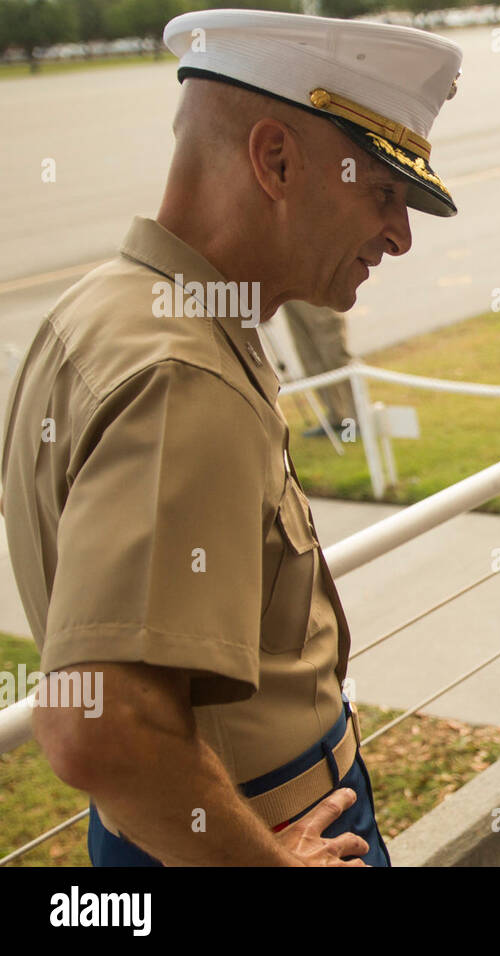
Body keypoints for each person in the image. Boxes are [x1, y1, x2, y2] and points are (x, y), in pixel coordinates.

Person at [0, 9, 462, 866]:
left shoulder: (111, 309)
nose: (398, 234)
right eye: (383, 192)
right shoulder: (186, 377)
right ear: (276, 160)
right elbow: (97, 725)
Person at [279, 299, 359, 434]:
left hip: (313, 285)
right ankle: (336, 416)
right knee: (309, 355)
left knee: (334, 353)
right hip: (288, 289)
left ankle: (357, 418)